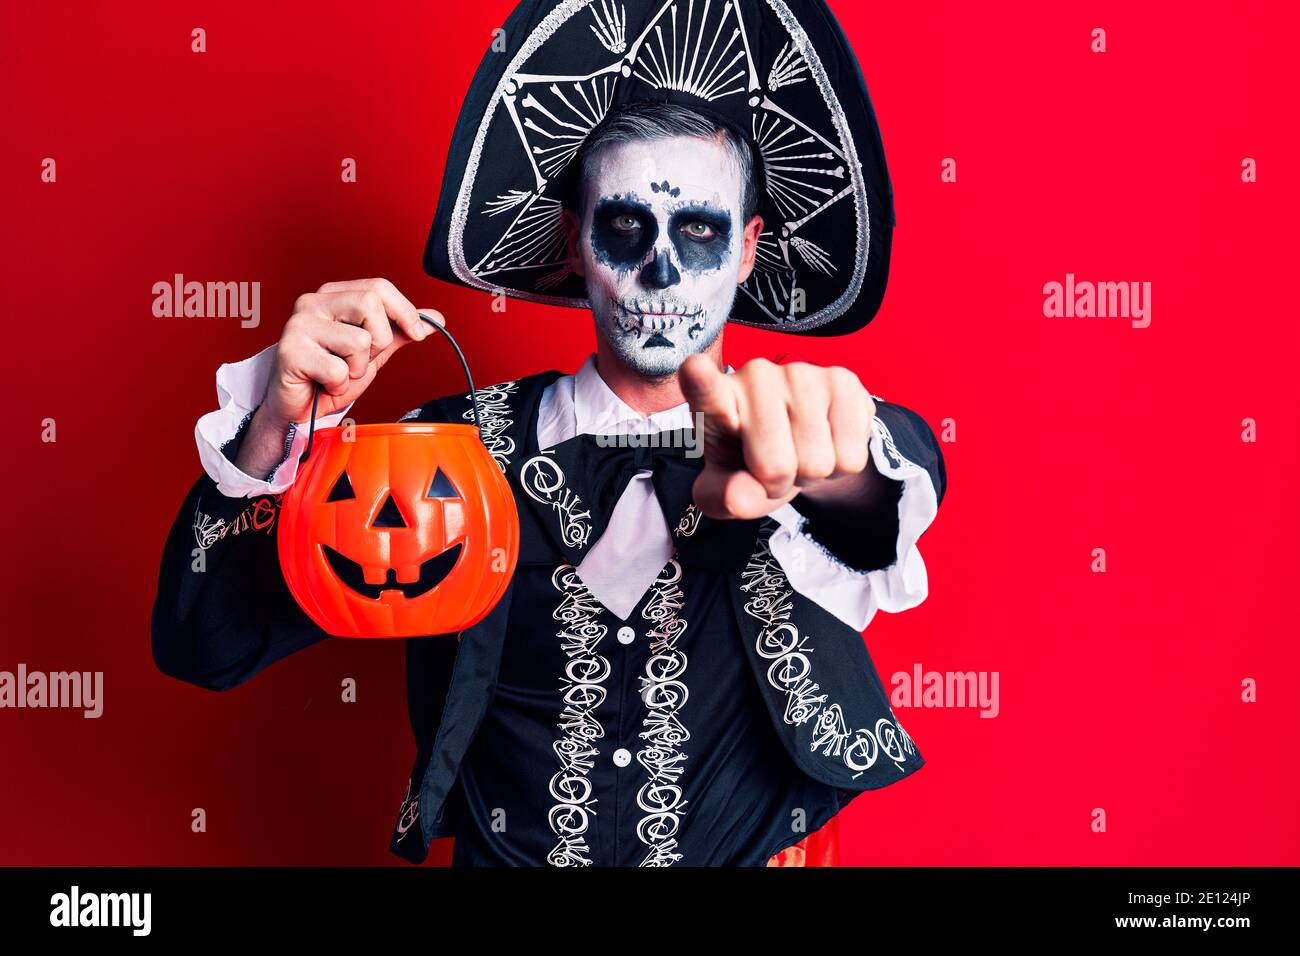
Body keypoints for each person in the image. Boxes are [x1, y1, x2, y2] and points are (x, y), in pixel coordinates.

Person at [152, 0, 947, 867]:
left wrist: (824, 471)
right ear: (574, 242)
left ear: (750, 249)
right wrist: (277, 424)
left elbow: (871, 496)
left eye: (699, 230)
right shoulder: (442, 453)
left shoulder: (812, 429)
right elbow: (206, 647)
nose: (662, 271)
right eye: (626, 226)